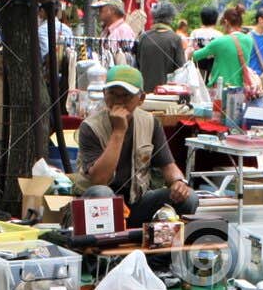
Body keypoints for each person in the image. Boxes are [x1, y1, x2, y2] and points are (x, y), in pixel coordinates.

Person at [77, 65, 197, 226]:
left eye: (126, 95)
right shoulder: (90, 127)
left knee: (189, 197)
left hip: (137, 201)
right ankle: (107, 244)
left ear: (141, 99)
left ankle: (166, 247)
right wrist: (119, 131)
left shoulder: (150, 122)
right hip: (100, 205)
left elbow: (168, 165)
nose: (118, 101)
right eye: (112, 94)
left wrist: (179, 182)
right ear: (104, 94)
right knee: (102, 193)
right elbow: (100, 179)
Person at [191, 4, 254, 91]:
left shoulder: (220, 41)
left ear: (226, 22)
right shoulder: (249, 40)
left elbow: (195, 56)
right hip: (241, 87)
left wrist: (190, 50)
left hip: (220, 88)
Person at [135, 1, 186, 93]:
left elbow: (138, 64)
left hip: (144, 93)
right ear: (171, 18)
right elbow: (181, 70)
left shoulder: (143, 37)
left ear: (153, 17)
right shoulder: (175, 39)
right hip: (167, 93)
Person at [94, 0, 136, 64]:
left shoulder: (124, 30)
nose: (99, 12)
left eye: (101, 8)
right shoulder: (106, 31)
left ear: (112, 10)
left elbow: (128, 60)